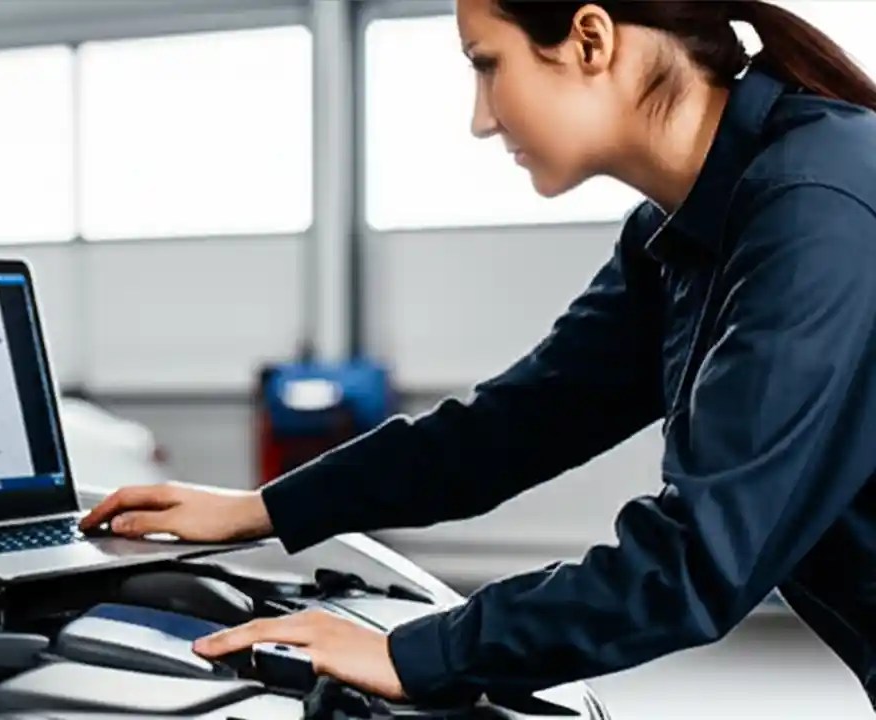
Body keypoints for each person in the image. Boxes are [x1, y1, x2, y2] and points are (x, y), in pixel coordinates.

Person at [80, 0, 876, 708]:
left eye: (486, 65)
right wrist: (262, 509)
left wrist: (418, 654)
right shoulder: (678, 231)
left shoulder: (815, 206)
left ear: (590, 39)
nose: (482, 118)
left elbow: (698, 560)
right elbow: (512, 427)